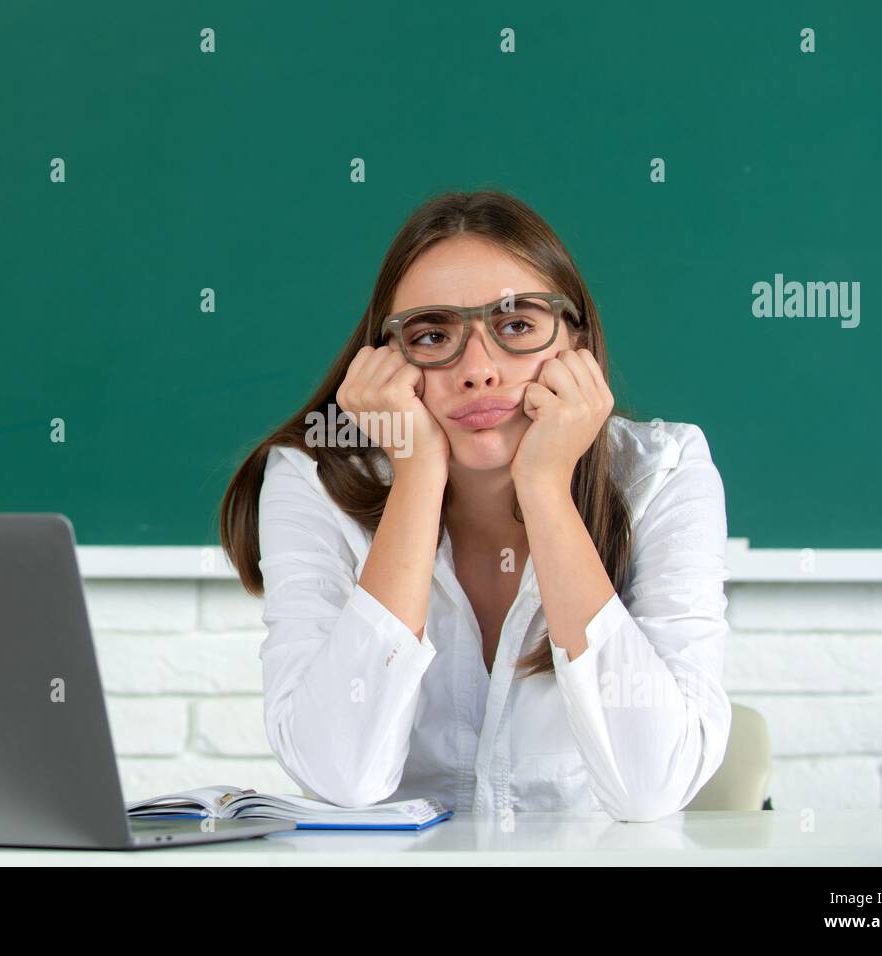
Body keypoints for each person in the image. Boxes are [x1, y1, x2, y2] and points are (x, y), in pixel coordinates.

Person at [219, 190, 732, 822]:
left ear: (577, 341)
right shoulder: (311, 480)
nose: (477, 370)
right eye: (433, 334)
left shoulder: (666, 472)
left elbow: (651, 788)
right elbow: (340, 777)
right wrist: (416, 476)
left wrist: (546, 487)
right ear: (385, 362)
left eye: (516, 326)